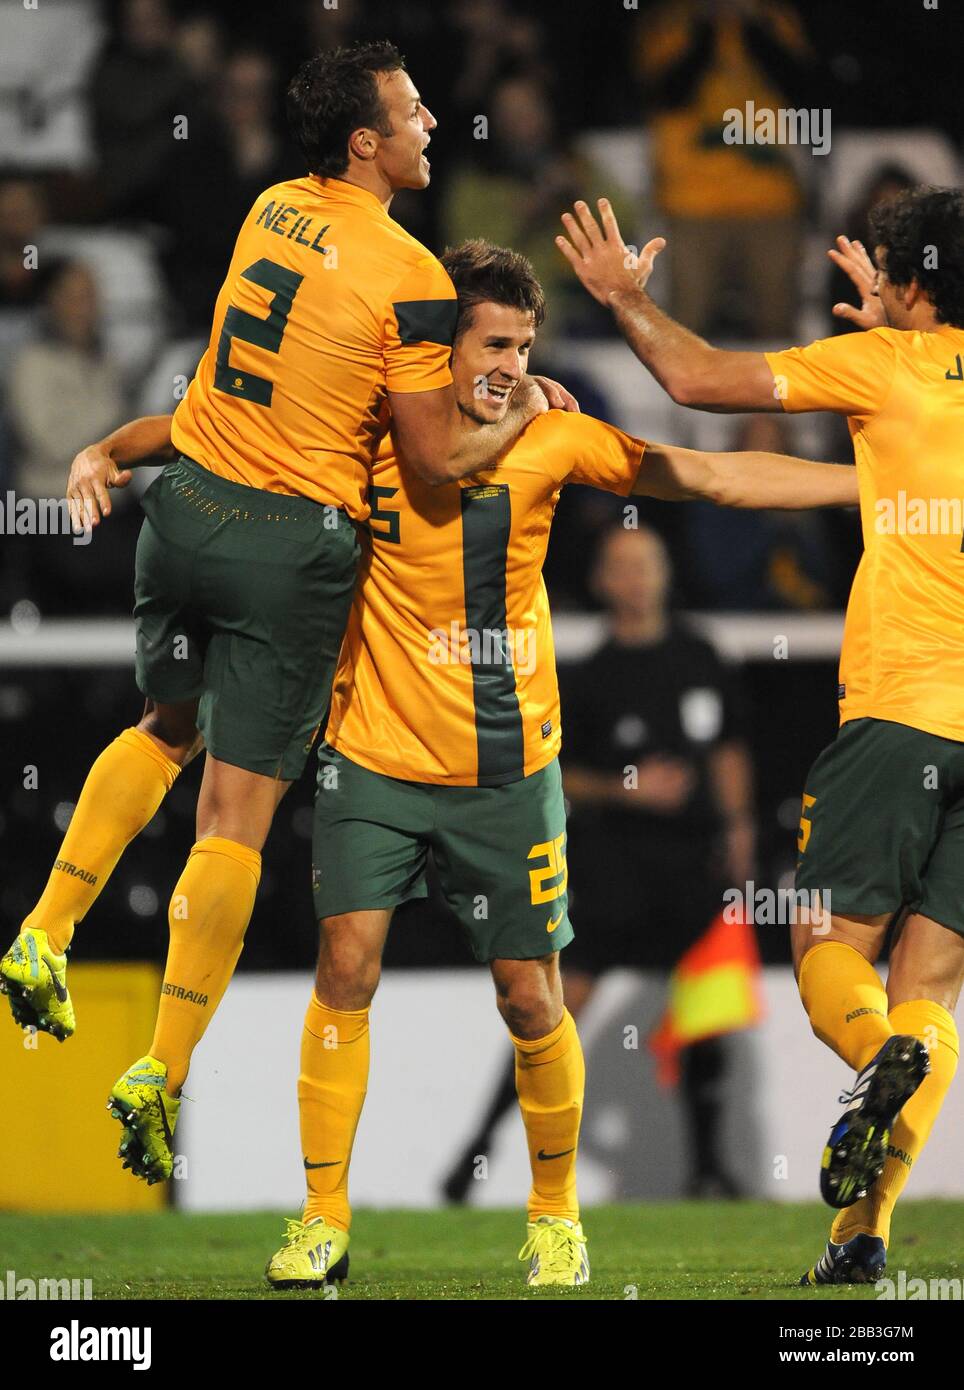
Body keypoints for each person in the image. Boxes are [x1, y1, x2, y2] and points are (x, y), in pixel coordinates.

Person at [65, 240, 857, 1287]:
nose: (512, 365)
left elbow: (707, 475)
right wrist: (111, 449)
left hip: (506, 773)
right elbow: (222, 430)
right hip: (371, 762)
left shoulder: (554, 434)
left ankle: (554, 1215)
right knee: (344, 973)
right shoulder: (364, 433)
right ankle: (322, 1220)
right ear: (442, 344)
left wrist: (863, 483)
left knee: (531, 997)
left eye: (525, 344)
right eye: (493, 343)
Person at [0, 41, 553, 1186]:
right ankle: (158, 1066)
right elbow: (432, 459)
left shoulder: (266, 210)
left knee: (161, 727)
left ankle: (42, 932)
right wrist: (524, 411)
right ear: (368, 142)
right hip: (283, 546)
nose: (432, 125)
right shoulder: (408, 274)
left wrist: (111, 443)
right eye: (411, 112)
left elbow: (214, 387)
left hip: (184, 504)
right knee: (232, 823)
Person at [556, 186, 964, 1285]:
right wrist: (900, 321)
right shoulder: (902, 386)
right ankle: (857, 1237)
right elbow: (824, 479)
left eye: (880, 269)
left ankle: (877, 1062)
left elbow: (698, 382)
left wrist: (622, 301)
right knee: (933, 989)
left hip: (901, 713)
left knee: (829, 945)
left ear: (911, 281)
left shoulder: (885, 370)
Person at [442, 521, 758, 1204]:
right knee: (550, 1013)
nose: (638, 578)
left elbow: (730, 750)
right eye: (624, 565)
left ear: (666, 573)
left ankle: (708, 1169)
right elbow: (556, 771)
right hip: (614, 868)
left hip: (690, 869)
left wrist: (738, 828)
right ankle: (478, 1149)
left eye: (649, 562)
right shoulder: (586, 675)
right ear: (603, 581)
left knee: (707, 1019)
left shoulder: (701, 656)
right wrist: (628, 788)